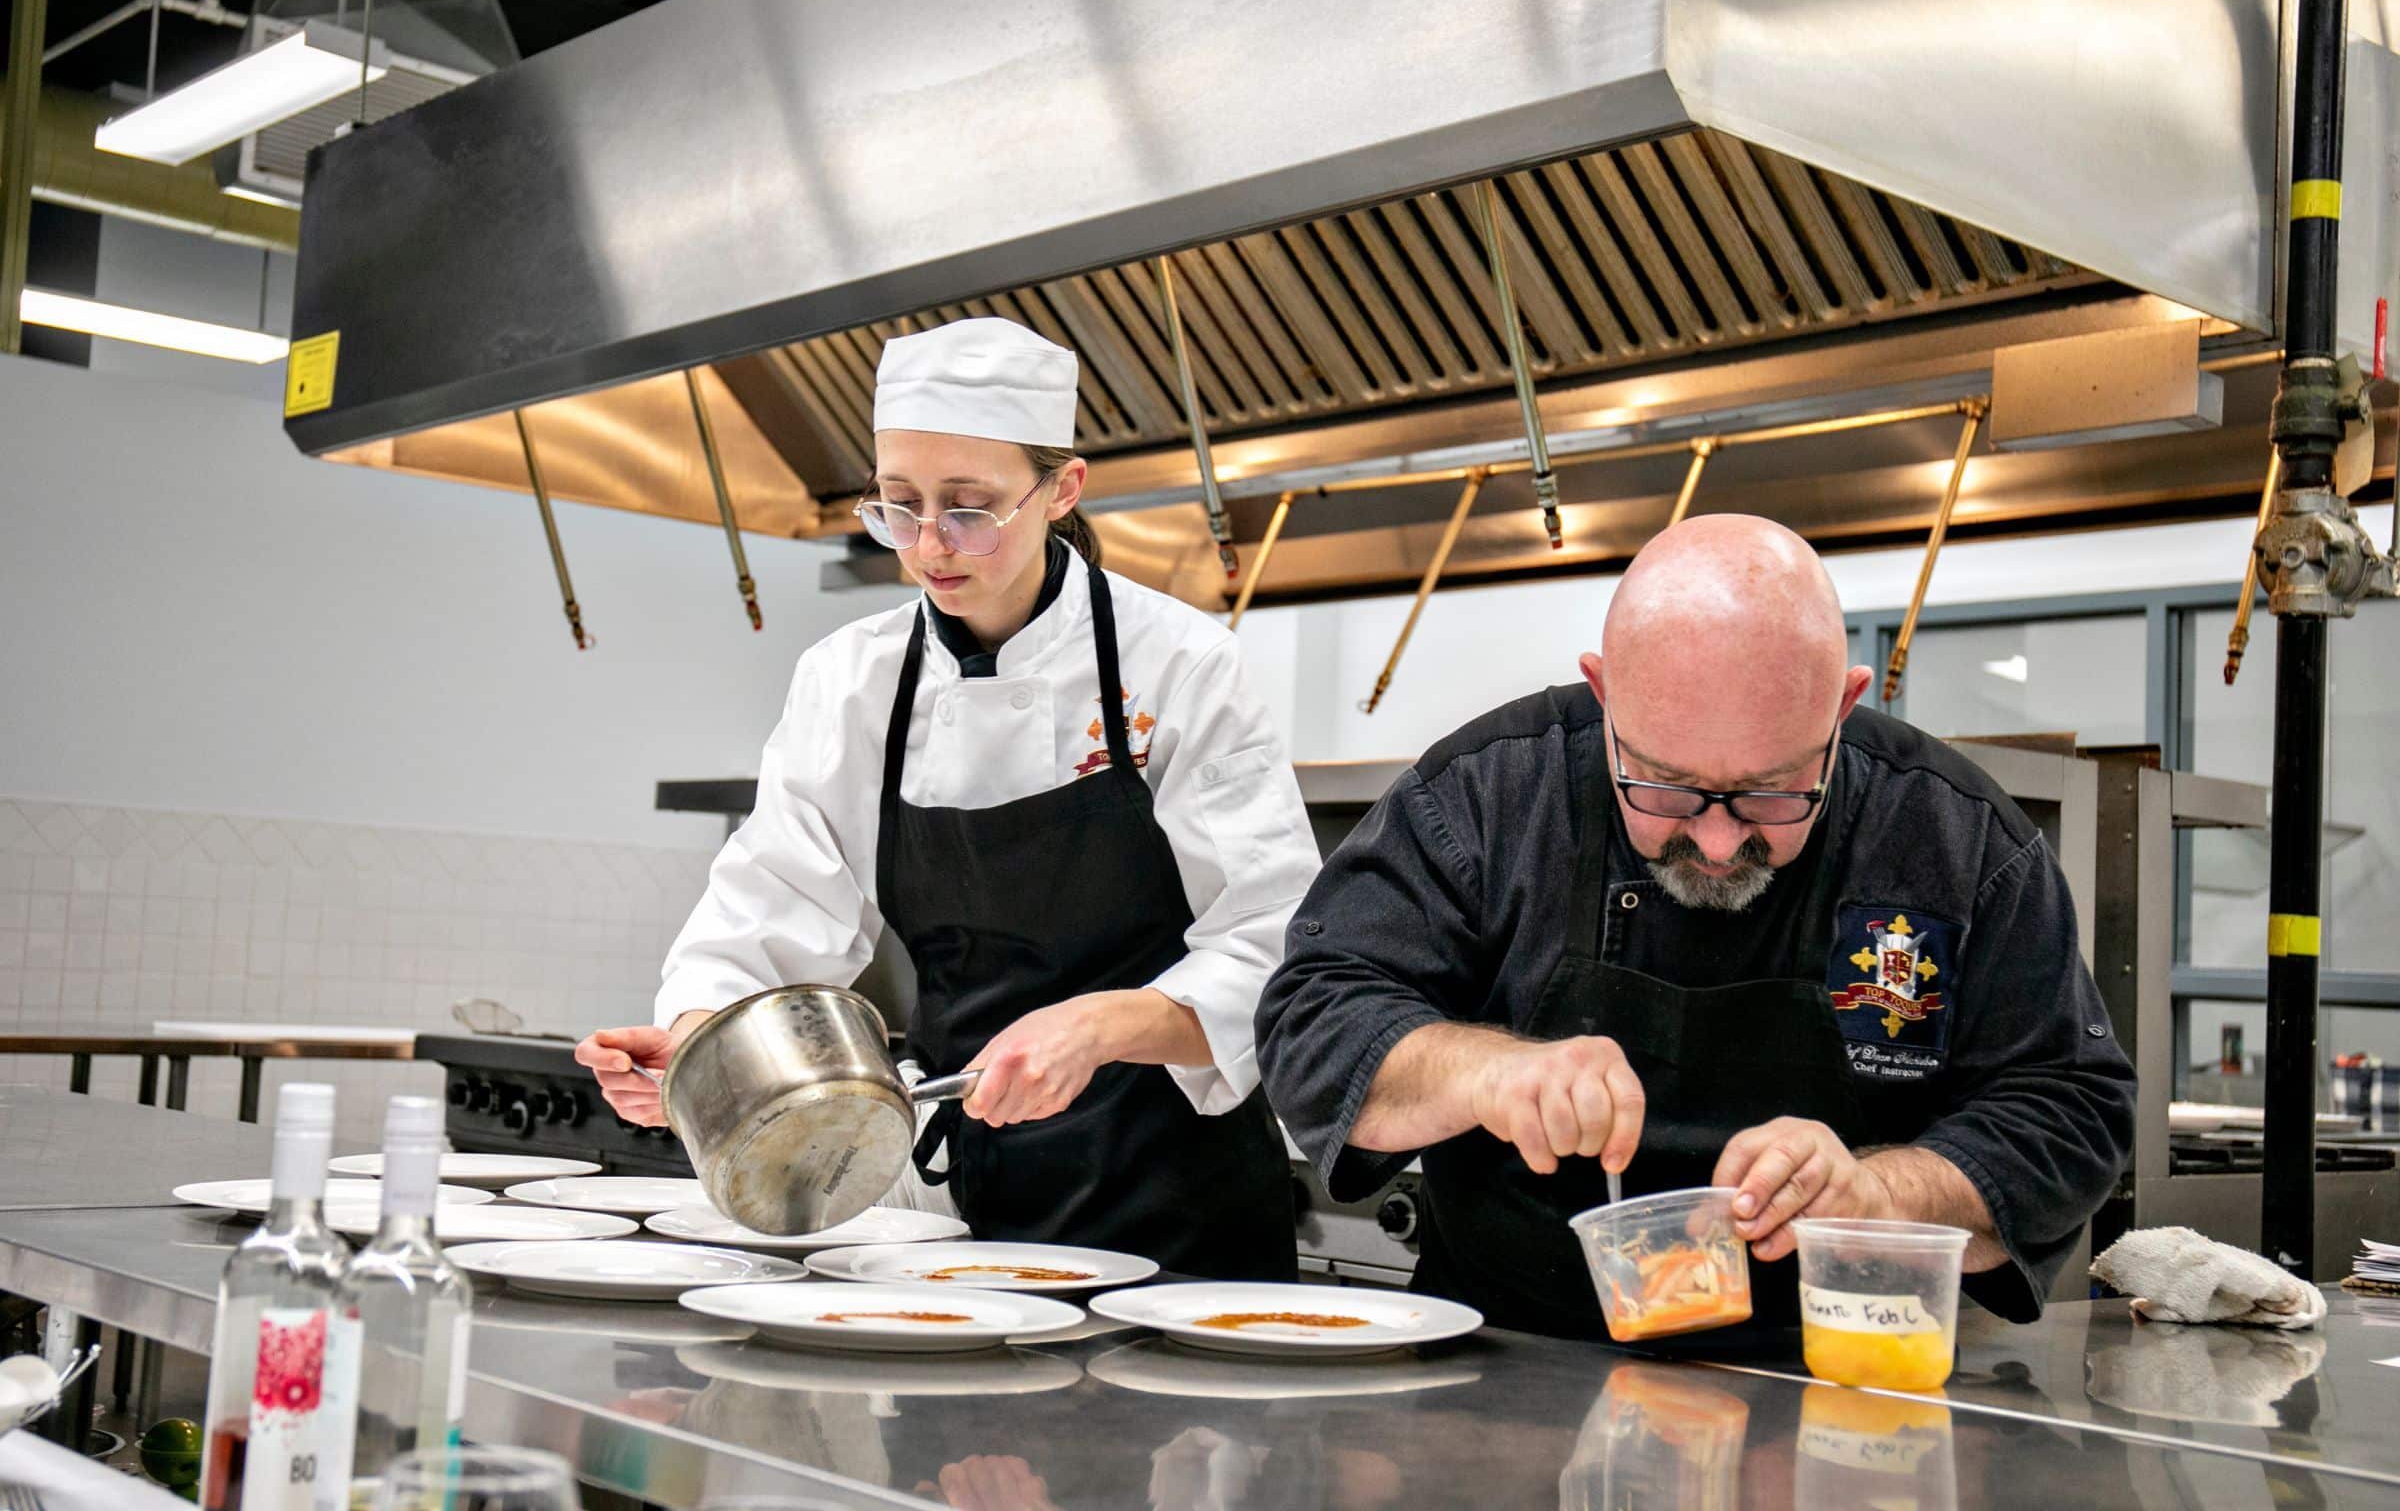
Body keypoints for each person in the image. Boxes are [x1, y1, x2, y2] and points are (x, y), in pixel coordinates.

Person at [1255, 514, 2135, 1338]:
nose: (1717, 840)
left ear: (1844, 704)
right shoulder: (1488, 799)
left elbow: (2072, 1109)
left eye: (1771, 791)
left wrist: (1879, 1192)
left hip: (1838, 1380)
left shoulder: (1953, 839)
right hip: (1509, 1360)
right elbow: (1311, 1020)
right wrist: (1488, 1071)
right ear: (1604, 694)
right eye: (1665, 785)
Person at [577, 317, 1316, 1278]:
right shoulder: (852, 680)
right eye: (899, 506)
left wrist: (1096, 1027)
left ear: (1062, 489)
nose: (931, 546)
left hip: (1176, 1196)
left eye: (970, 508)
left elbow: (1276, 939)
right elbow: (767, 912)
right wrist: (698, 1056)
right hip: (964, 1215)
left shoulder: (1178, 665)